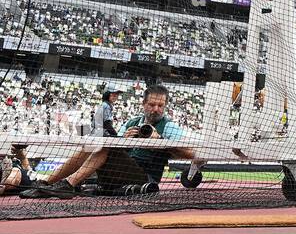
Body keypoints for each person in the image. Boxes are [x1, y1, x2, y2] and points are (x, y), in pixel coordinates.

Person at [22, 84, 192, 198]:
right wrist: (123, 140)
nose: (156, 109)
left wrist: (160, 141)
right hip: (118, 174)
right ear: (143, 104)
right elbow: (117, 148)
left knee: (104, 145)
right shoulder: (131, 123)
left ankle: (67, 184)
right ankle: (45, 184)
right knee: (93, 145)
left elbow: (189, 153)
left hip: (144, 178)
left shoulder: (169, 127)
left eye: (160, 106)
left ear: (166, 106)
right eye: (152, 104)